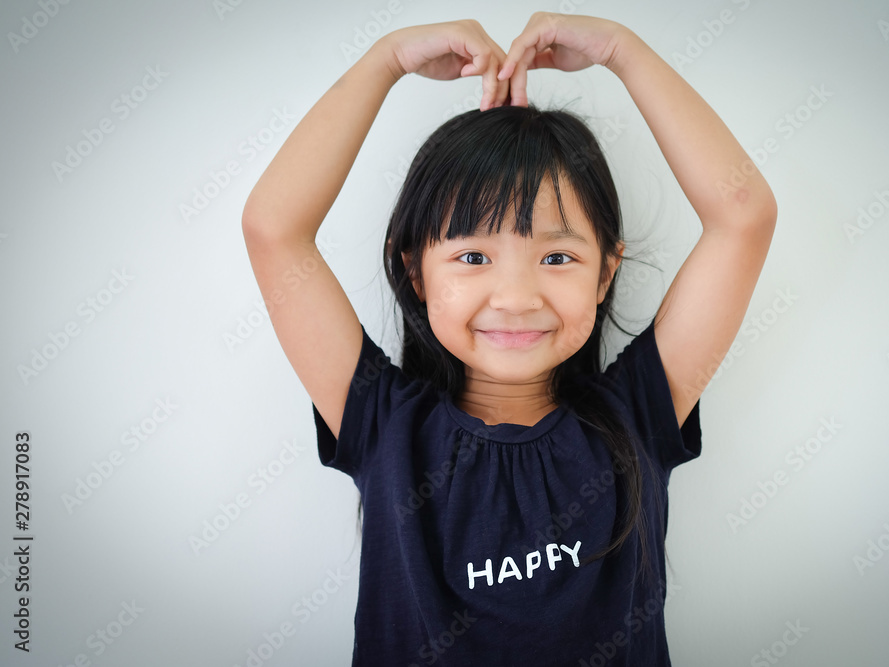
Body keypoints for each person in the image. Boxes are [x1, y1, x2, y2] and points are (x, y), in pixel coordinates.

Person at [242, 12, 776, 666]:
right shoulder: (383, 425)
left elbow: (742, 215)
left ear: (606, 270)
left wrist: (621, 49)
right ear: (415, 270)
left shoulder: (640, 408)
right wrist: (385, 61)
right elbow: (273, 228)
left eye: (557, 258)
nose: (518, 296)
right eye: (473, 257)